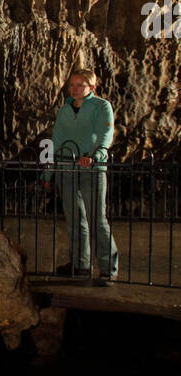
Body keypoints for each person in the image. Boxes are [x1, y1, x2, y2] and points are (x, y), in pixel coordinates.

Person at [41, 68, 119, 285]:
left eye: (80, 85)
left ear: (91, 88)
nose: (74, 89)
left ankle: (108, 269)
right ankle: (80, 265)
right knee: (75, 220)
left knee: (97, 220)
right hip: (67, 168)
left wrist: (95, 156)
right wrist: (47, 172)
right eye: (72, 85)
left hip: (91, 170)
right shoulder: (64, 110)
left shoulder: (102, 107)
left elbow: (105, 134)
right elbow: (55, 140)